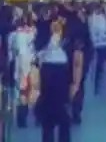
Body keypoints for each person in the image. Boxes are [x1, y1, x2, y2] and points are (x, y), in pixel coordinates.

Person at [33, 14, 81, 142]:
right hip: (47, 76)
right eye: (54, 22)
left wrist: (75, 83)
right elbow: (36, 60)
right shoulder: (43, 39)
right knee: (47, 119)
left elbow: (77, 60)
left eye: (60, 22)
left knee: (63, 117)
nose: (56, 25)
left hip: (63, 76)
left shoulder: (69, 40)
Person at [88, 4, 106, 97]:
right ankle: (101, 88)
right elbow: (94, 33)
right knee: (102, 67)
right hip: (101, 45)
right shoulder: (93, 19)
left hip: (105, 44)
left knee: (105, 67)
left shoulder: (101, 18)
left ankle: (105, 89)